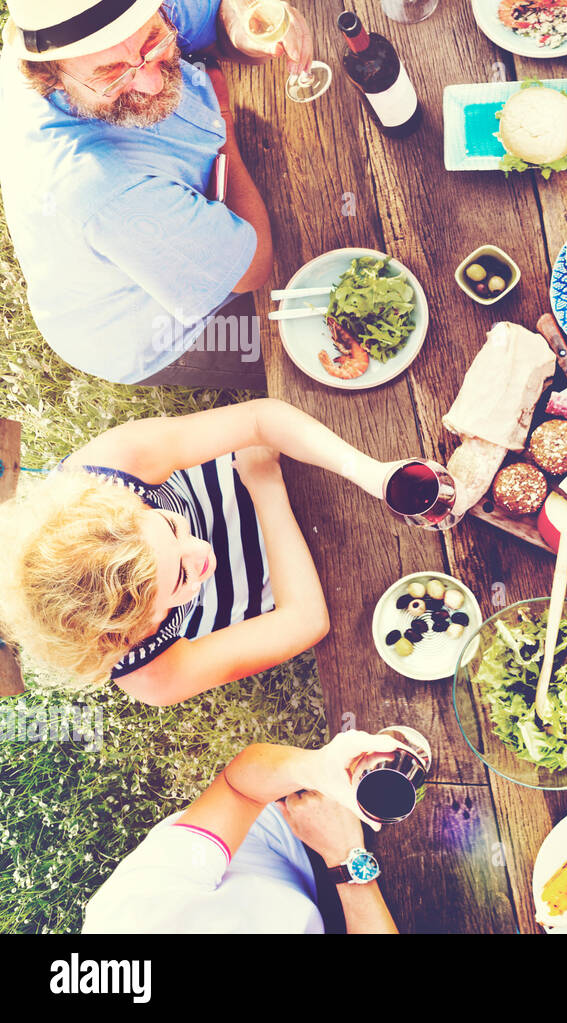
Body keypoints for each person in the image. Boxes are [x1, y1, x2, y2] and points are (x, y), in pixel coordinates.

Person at [0, 398, 413, 706]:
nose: (200, 551)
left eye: (169, 525)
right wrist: (265, 485)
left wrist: (370, 474)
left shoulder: (111, 469)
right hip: (296, 571)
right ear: (130, 634)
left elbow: (260, 419)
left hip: (269, 470)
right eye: (181, 577)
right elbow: (305, 620)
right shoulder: (151, 676)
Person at [0, 0, 314, 387]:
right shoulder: (105, 190)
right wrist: (226, 131)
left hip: (158, 216)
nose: (154, 83)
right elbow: (252, 267)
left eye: (154, 43)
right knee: (318, 333)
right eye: (113, 76)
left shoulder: (103, 26)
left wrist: (238, 23)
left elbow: (215, 12)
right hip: (150, 332)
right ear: (51, 78)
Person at [82, 731, 403, 933]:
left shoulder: (136, 910)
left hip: (294, 832)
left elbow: (240, 788)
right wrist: (346, 860)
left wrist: (317, 767)